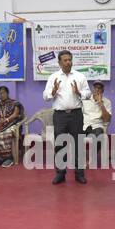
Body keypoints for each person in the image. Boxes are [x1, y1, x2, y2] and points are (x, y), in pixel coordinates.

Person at [44, 50, 91, 184]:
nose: (68, 62)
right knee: (60, 145)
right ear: (59, 62)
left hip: (76, 114)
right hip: (60, 116)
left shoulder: (80, 76)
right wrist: (52, 92)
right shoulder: (53, 77)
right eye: (65, 60)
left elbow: (88, 94)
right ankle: (60, 173)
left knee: (78, 145)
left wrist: (79, 92)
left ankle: (79, 174)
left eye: (70, 60)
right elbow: (45, 96)